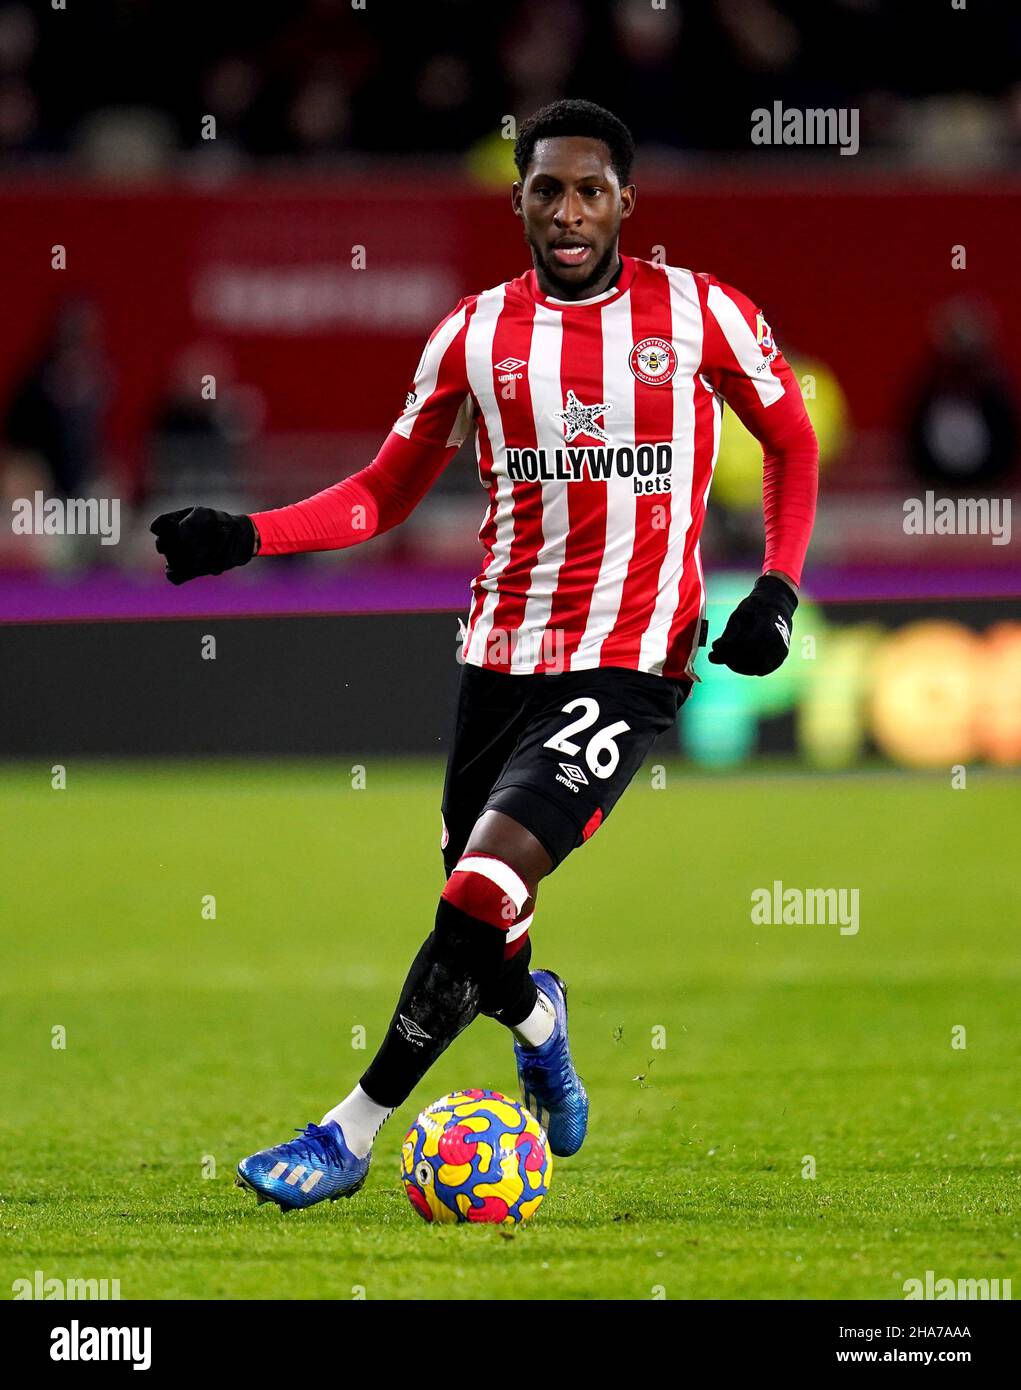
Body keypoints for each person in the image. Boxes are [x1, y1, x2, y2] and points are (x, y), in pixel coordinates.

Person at [150, 99, 818, 1213]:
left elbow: (790, 440)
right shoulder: (471, 337)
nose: (568, 211)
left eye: (590, 190)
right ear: (516, 198)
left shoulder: (701, 315)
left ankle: (347, 1131)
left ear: (625, 203)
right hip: (498, 659)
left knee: (485, 878)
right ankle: (541, 1019)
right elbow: (381, 492)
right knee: (482, 927)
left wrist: (780, 589)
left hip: (632, 660)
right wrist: (247, 536)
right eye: (546, 189)